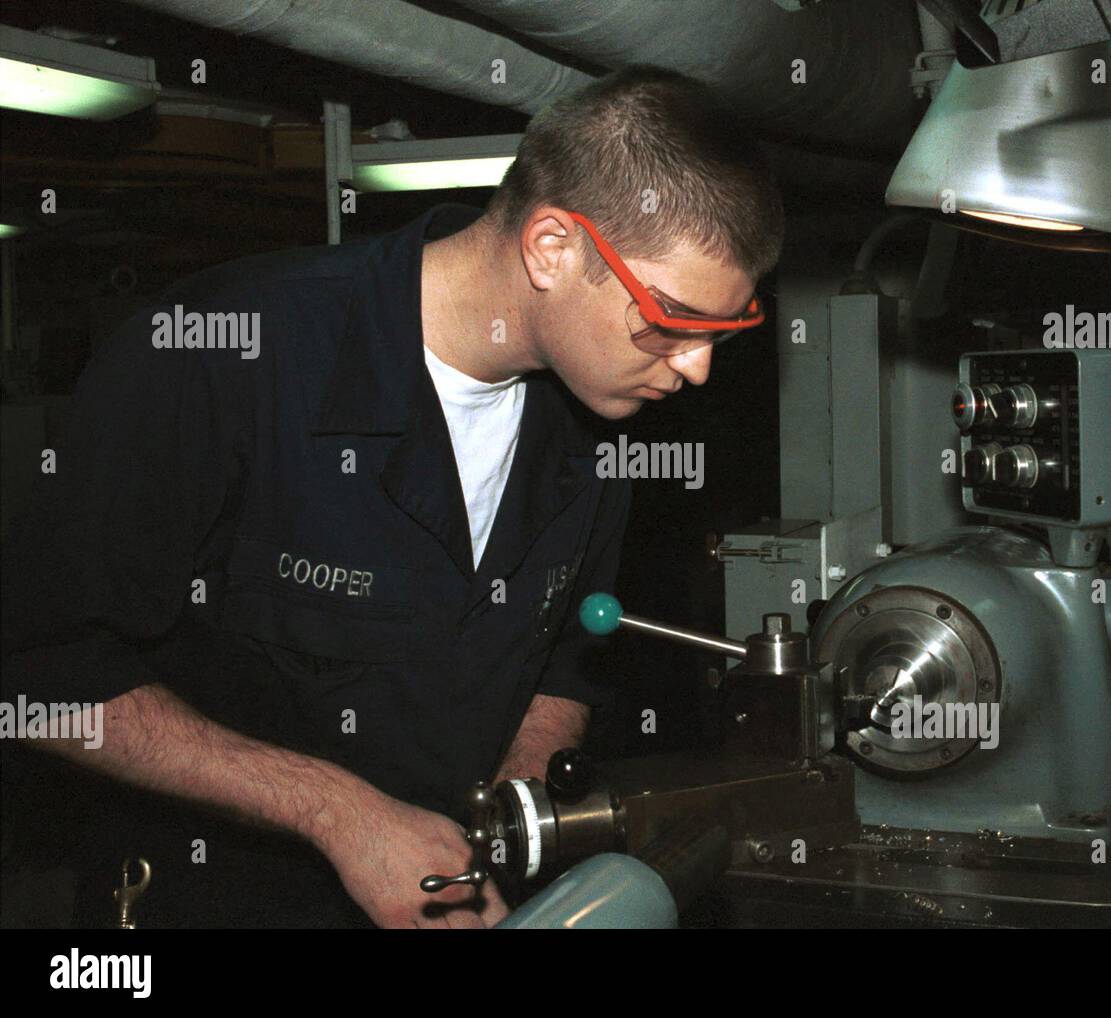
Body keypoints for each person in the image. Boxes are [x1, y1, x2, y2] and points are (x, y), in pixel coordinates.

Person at [0, 65, 784, 928]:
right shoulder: (218, 359)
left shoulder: (601, 421)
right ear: (552, 248)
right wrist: (338, 813)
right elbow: (39, 676)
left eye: (722, 332)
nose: (697, 367)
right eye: (671, 318)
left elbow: (564, 656)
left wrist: (517, 800)